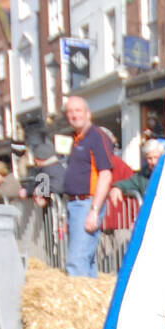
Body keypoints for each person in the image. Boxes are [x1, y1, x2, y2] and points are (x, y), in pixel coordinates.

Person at [61, 95, 114, 278]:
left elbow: (105, 175)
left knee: (77, 263)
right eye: (70, 111)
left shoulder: (97, 137)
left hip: (87, 203)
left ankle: (78, 305)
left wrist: (94, 210)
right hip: (76, 205)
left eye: (78, 110)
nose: (74, 115)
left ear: (88, 113)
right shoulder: (76, 139)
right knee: (86, 261)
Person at [108, 139, 165, 205]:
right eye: (150, 158)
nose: (153, 162)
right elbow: (129, 182)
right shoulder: (143, 175)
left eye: (156, 158)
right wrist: (117, 187)